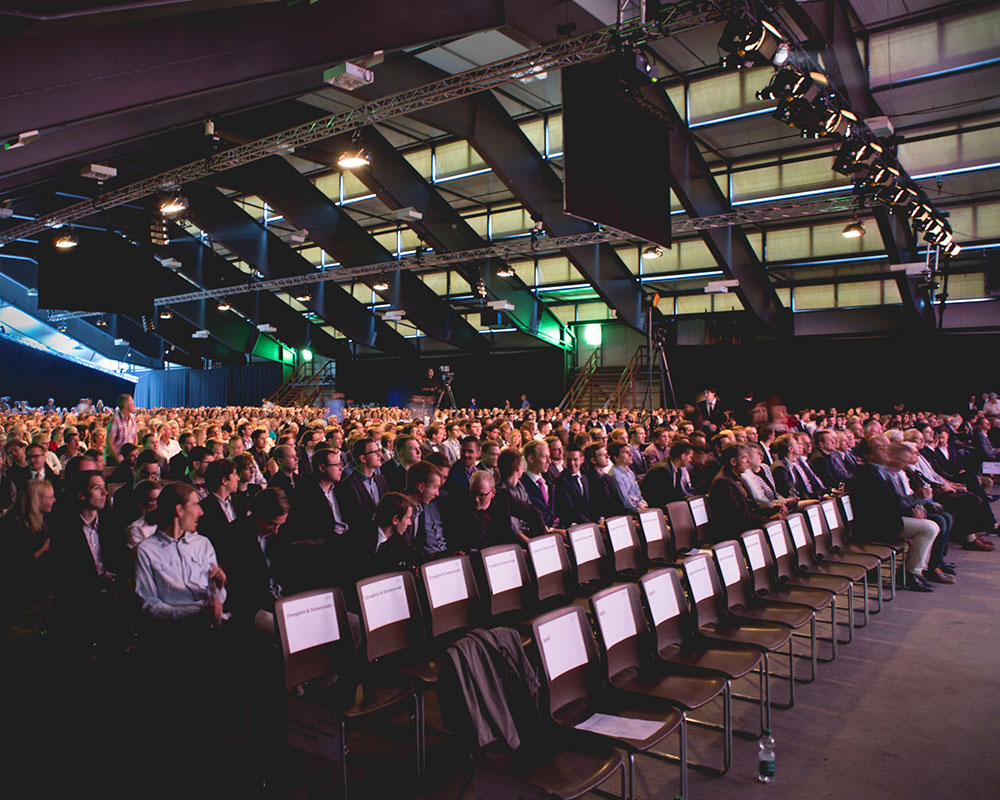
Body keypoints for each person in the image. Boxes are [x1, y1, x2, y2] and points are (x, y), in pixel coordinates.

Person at [847, 435, 939, 591]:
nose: (886, 450)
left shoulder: (883, 471)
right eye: (880, 448)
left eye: (886, 446)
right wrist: (916, 498)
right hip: (874, 525)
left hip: (888, 518)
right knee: (929, 528)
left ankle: (916, 572)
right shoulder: (866, 475)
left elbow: (894, 501)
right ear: (869, 455)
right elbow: (889, 506)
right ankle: (911, 574)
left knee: (933, 524)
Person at [134, 481, 227, 624]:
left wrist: (219, 588)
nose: (201, 512)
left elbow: (216, 597)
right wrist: (196, 613)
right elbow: (148, 605)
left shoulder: (203, 544)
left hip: (211, 623)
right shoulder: (146, 550)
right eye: (195, 505)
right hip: (172, 629)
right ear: (179, 510)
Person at [706, 445, 784, 544]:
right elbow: (739, 518)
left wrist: (773, 508)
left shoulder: (737, 477)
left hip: (745, 524)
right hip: (734, 532)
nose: (749, 461)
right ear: (733, 462)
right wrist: (770, 519)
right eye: (744, 458)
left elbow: (750, 507)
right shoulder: (723, 482)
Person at [641, 440, 694, 509]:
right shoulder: (662, 470)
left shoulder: (678, 469)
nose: (690, 460)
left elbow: (677, 495)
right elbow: (659, 499)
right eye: (690, 457)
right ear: (683, 456)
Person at [554, 443, 597, 525]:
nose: (572, 463)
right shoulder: (560, 481)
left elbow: (590, 504)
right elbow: (570, 510)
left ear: (582, 459)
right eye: (569, 460)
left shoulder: (585, 478)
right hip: (576, 525)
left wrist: (598, 520)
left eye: (575, 459)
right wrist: (592, 525)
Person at [607, 441, 647, 514]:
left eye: (630, 451)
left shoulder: (630, 472)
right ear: (616, 458)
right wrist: (641, 512)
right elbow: (626, 503)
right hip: (628, 514)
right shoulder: (615, 475)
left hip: (638, 510)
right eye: (626, 452)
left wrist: (644, 506)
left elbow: (638, 495)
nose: (631, 454)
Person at [124, 480, 161, 550]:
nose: (159, 504)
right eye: (153, 500)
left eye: (160, 499)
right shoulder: (135, 530)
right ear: (141, 505)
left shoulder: (171, 523)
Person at [104, 393, 138, 466]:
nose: (134, 404)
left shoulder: (133, 418)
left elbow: (135, 438)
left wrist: (134, 454)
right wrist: (119, 462)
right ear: (125, 405)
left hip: (128, 458)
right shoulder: (115, 420)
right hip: (115, 458)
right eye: (131, 402)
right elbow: (110, 443)